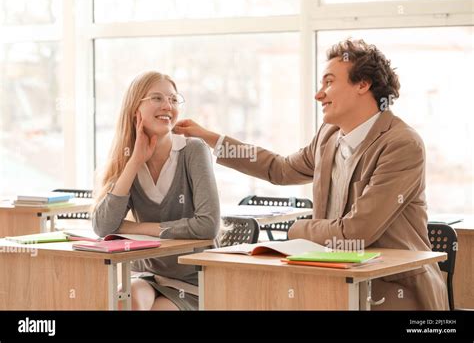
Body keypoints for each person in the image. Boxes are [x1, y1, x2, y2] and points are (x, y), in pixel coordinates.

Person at [174, 39, 449, 310]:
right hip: (336, 283)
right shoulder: (328, 137)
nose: (319, 94)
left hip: (394, 291)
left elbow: (356, 231)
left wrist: (294, 229)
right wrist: (210, 137)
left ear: (363, 84)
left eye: (329, 82)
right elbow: (279, 169)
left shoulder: (401, 144)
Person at [92, 71, 220, 310]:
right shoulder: (128, 160)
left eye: (173, 99)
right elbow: (103, 226)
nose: (167, 106)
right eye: (157, 98)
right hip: (147, 275)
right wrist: (134, 163)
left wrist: (135, 228)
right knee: (125, 303)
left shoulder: (193, 151)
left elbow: (208, 224)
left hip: (194, 280)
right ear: (135, 110)